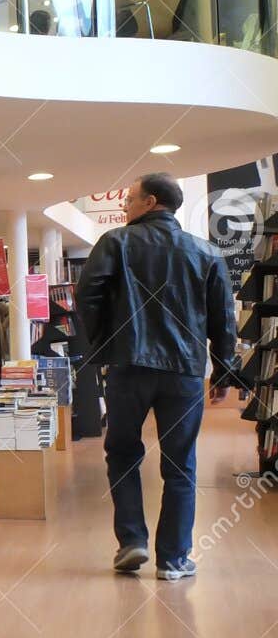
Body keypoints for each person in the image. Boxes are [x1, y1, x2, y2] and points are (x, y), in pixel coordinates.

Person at [76, 173, 237, 580]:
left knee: (124, 455)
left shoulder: (115, 243)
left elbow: (88, 294)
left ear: (150, 202)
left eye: (129, 199)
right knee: (180, 463)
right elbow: (223, 318)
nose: (124, 206)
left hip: (129, 367)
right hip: (184, 371)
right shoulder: (206, 252)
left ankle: (131, 542)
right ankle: (173, 559)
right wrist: (223, 370)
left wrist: (103, 348)